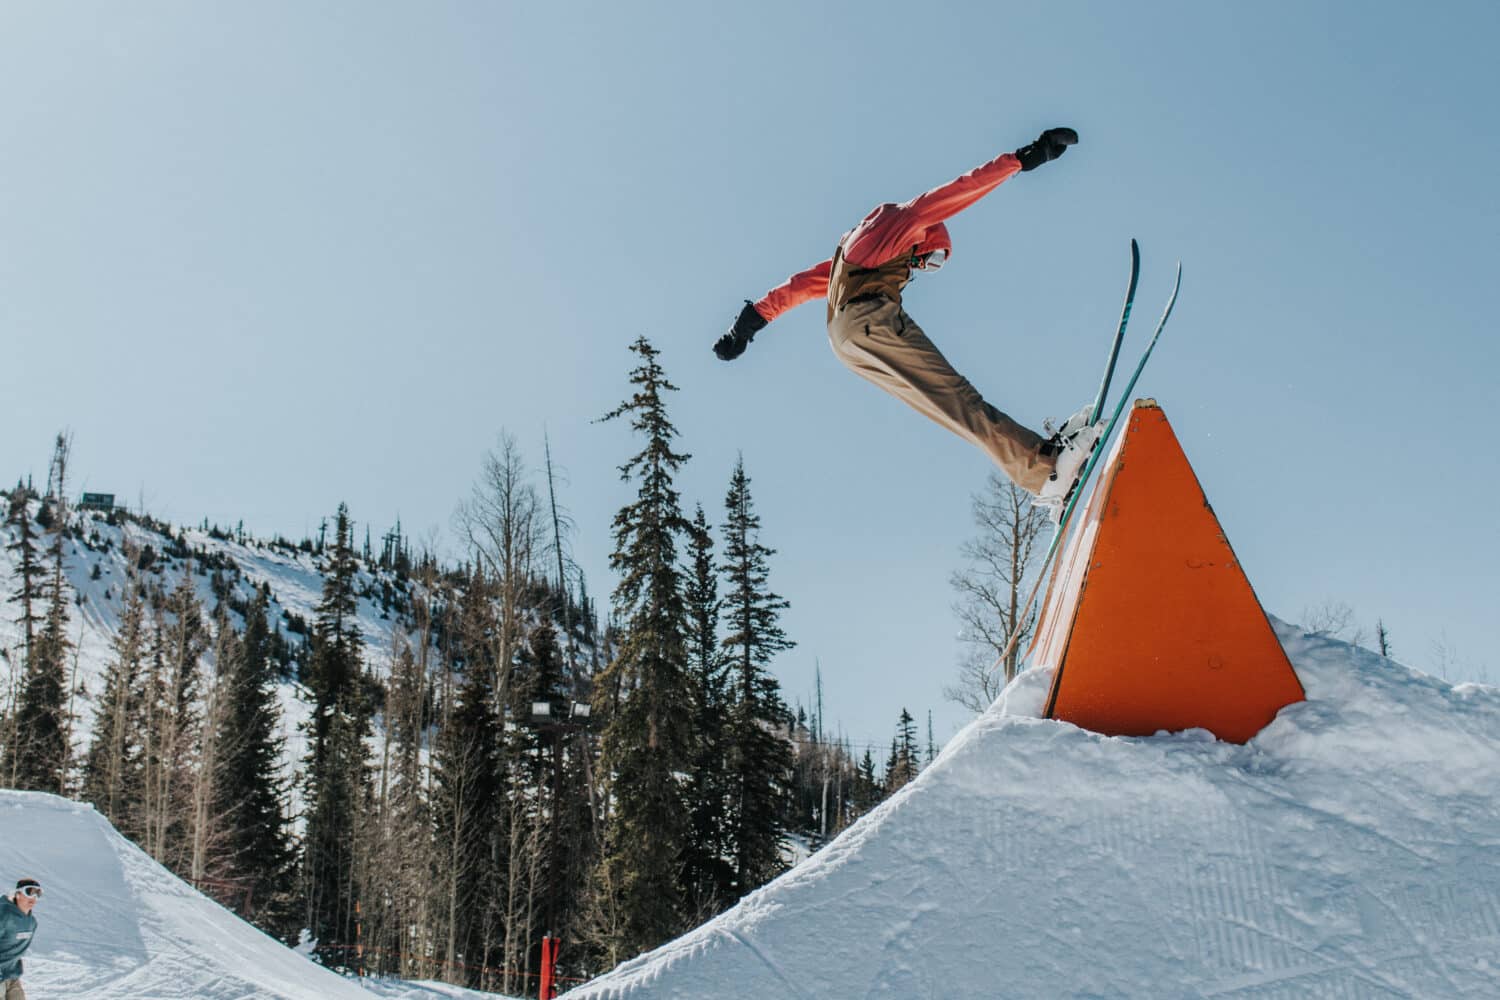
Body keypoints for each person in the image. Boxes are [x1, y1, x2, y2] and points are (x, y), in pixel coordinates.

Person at [714, 127, 1098, 516]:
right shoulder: (905, 223)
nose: (920, 268)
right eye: (932, 259)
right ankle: (1046, 469)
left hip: (847, 343)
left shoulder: (858, 249)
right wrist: (1026, 158)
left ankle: (1042, 461)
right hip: (872, 321)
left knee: (949, 407)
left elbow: (799, 286)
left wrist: (746, 326)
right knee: (958, 396)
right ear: (923, 241)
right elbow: (959, 191)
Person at [0, 879, 40, 1000]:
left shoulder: (32, 923)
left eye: (38, 893)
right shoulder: (3, 915)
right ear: (18, 894)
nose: (33, 897)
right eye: (29, 892)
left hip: (12, 976)